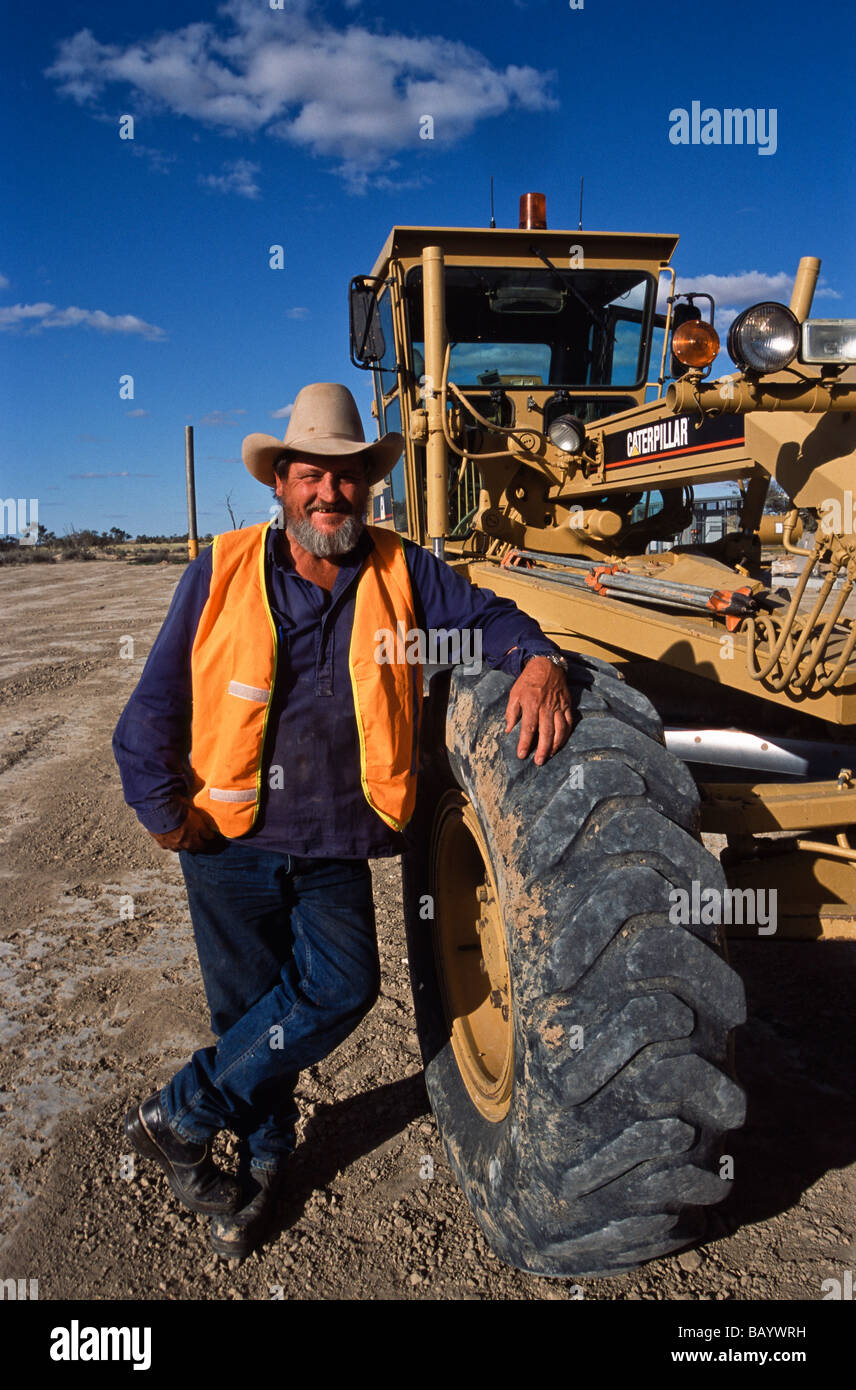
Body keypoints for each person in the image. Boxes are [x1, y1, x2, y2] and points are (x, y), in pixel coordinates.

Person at [113, 382, 573, 1258]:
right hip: (229, 844)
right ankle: (260, 1164)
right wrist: (167, 817)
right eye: (311, 477)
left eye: (348, 478)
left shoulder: (404, 571)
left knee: (342, 986)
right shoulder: (219, 571)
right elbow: (152, 710)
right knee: (247, 1010)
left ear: (368, 485)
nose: (331, 494)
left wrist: (538, 658)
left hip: (336, 844)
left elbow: (492, 620)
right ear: (281, 484)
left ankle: (177, 1115)